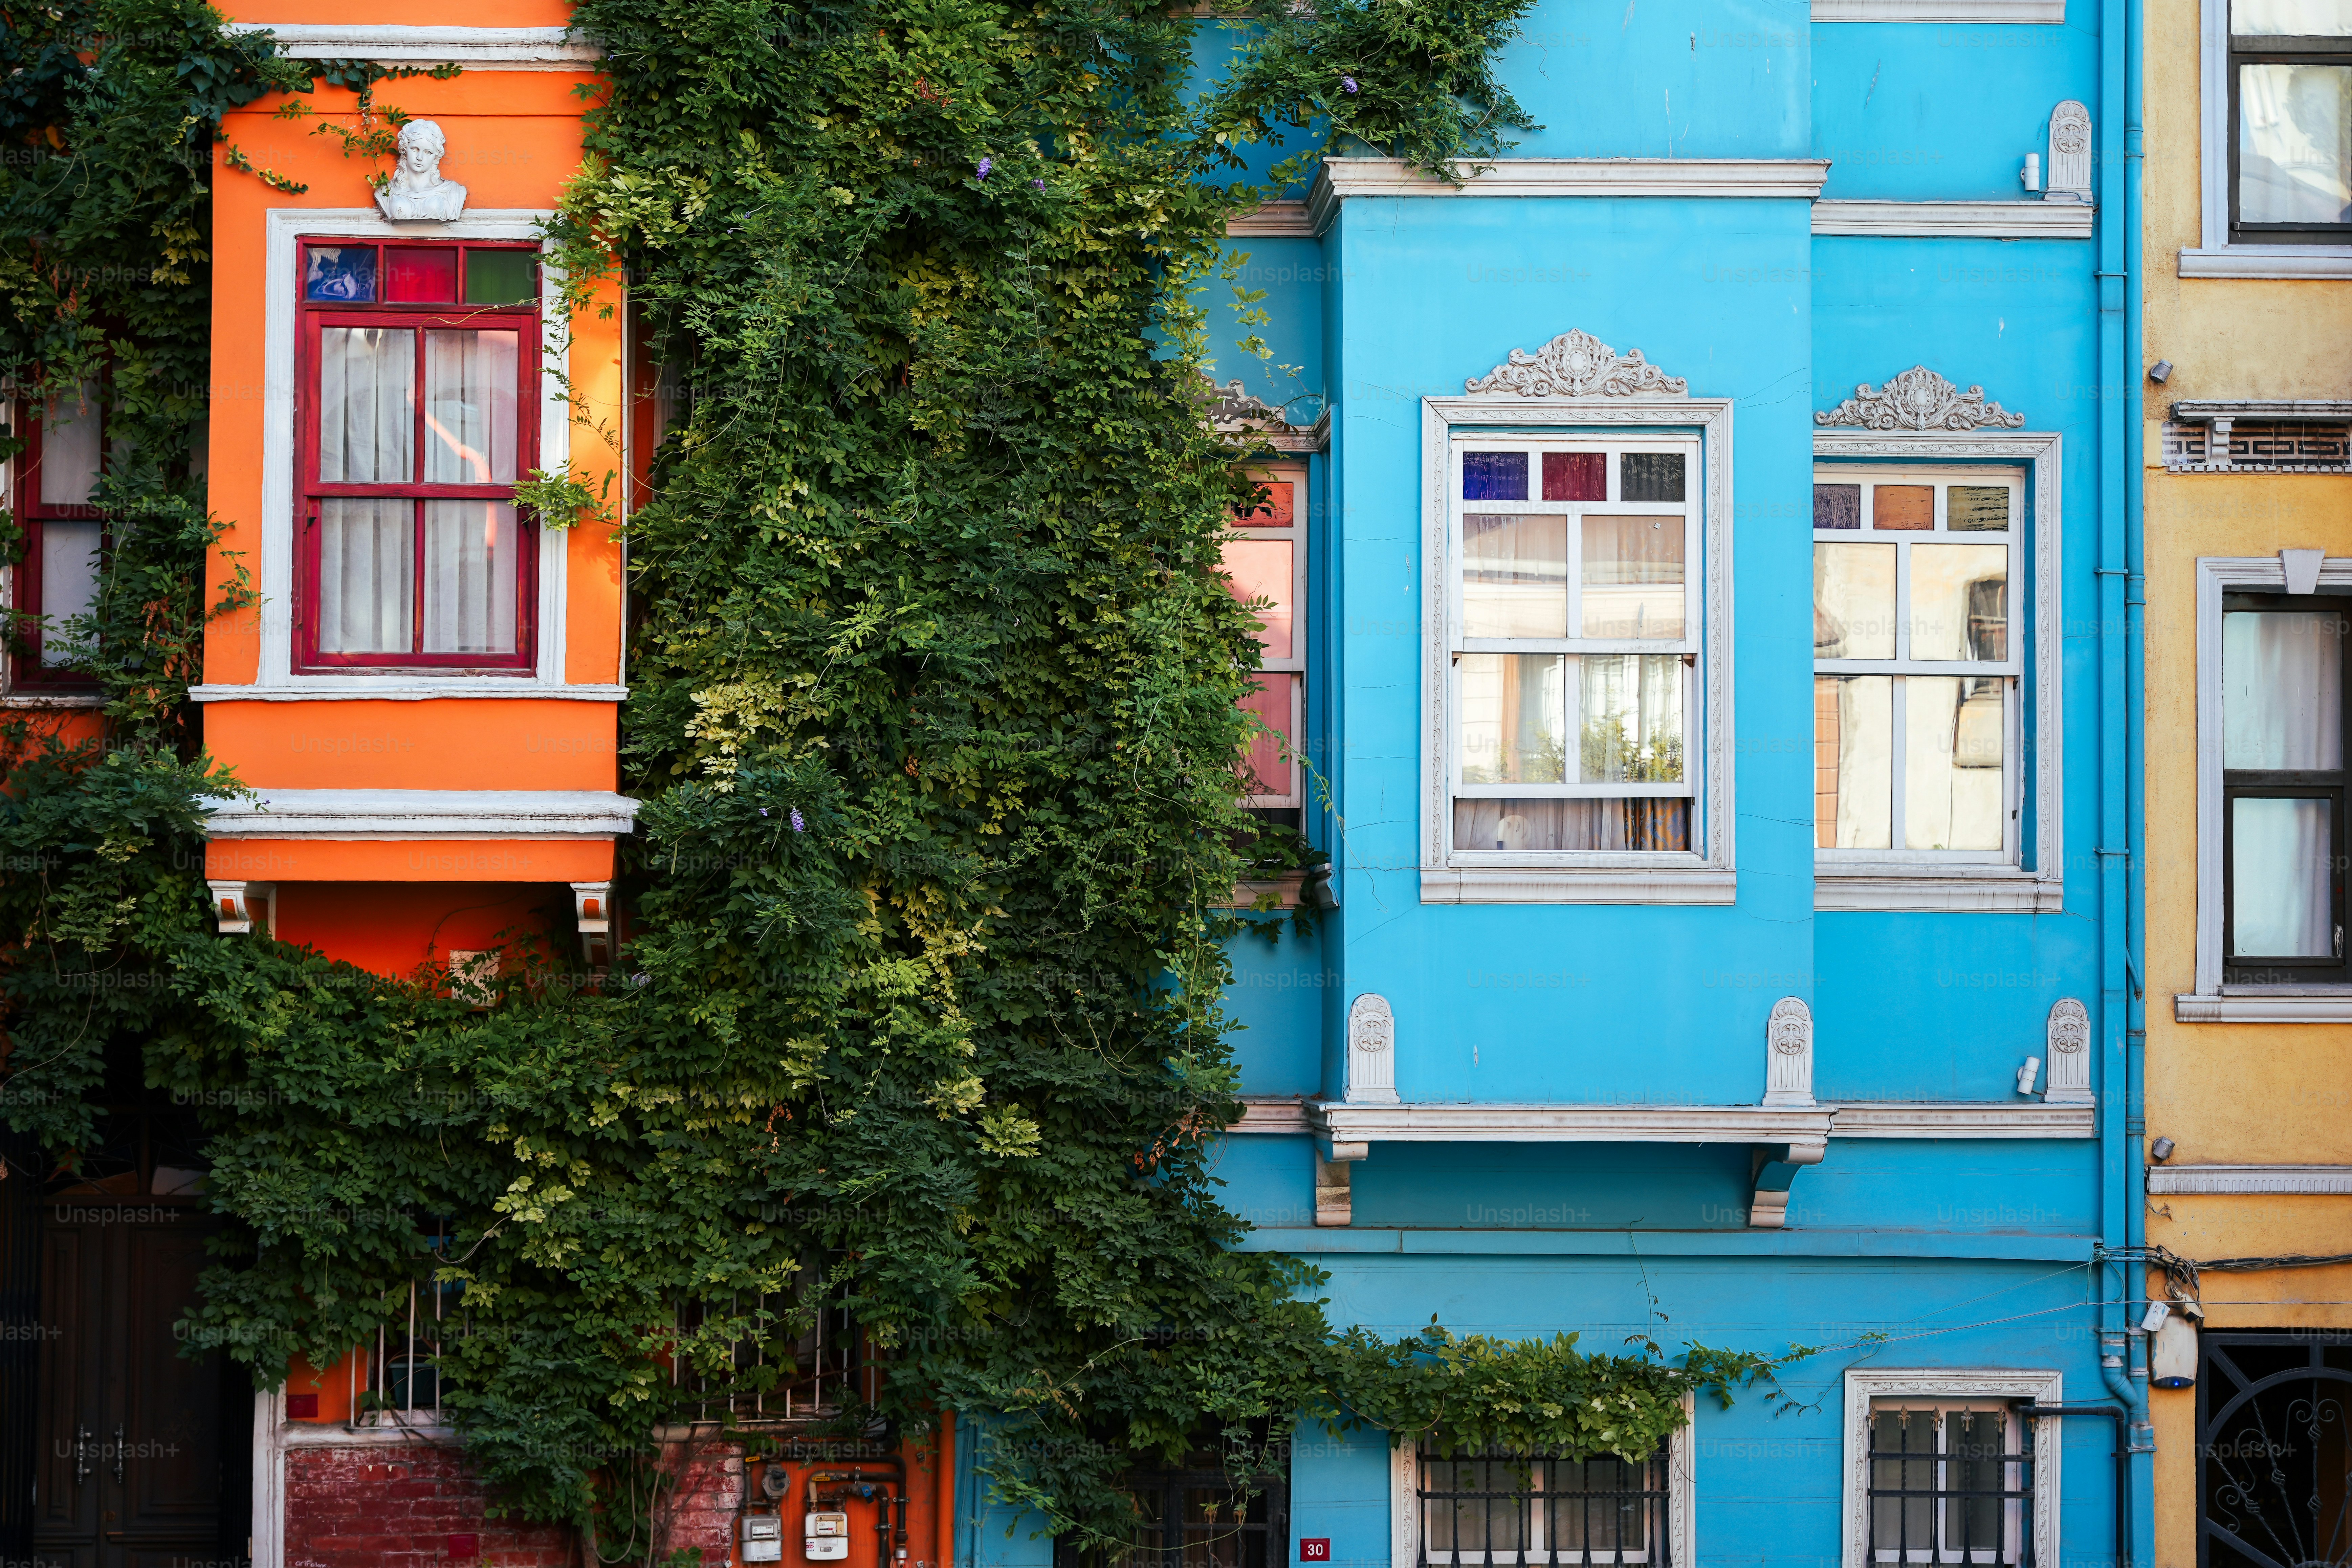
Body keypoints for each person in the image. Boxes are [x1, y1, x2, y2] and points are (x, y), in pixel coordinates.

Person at [375, 120, 468, 222]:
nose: (420, 157)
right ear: (405, 150)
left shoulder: (453, 192)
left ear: (436, 156)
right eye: (415, 149)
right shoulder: (386, 192)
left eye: (428, 152)